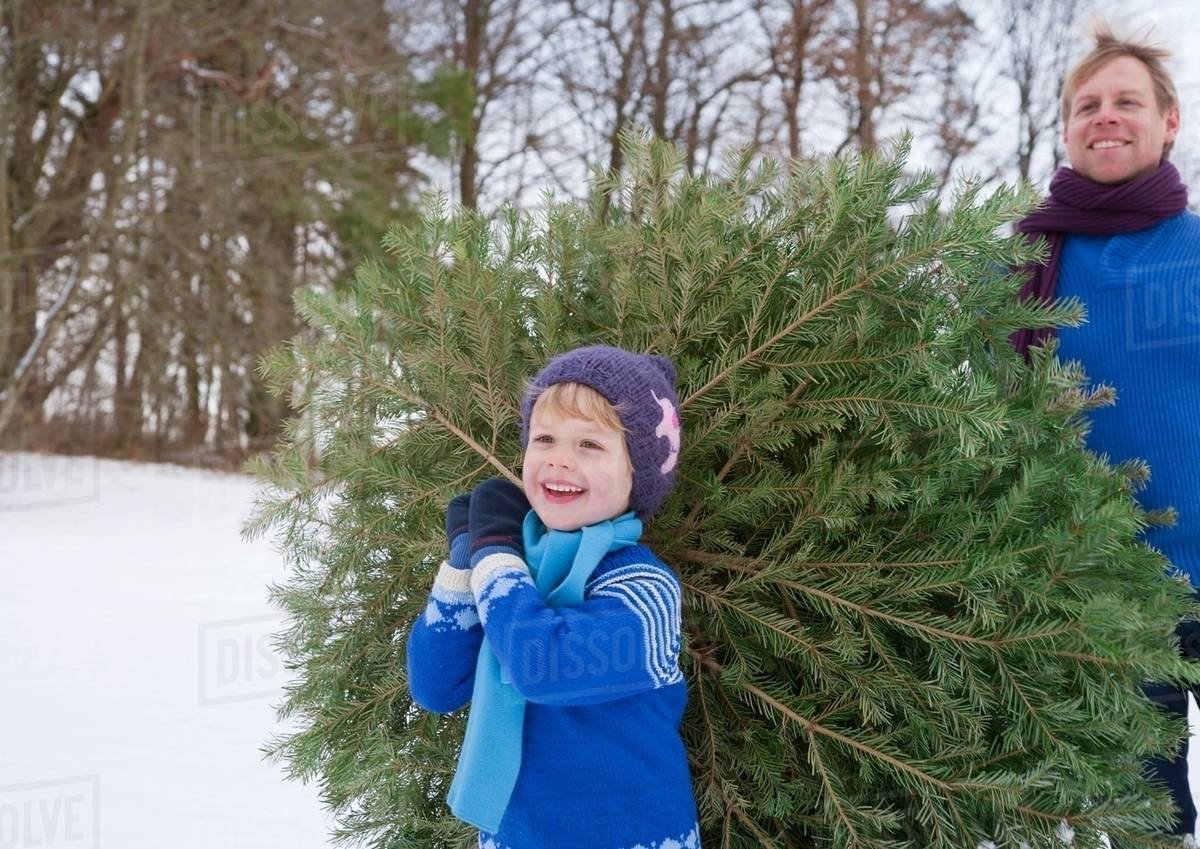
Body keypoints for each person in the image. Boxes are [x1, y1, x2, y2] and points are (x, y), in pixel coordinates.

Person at [1013, 25, 1200, 844]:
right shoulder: (1018, 269)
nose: (1106, 116)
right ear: (1067, 129)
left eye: (1127, 100)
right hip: (1107, 594)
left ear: (1170, 121)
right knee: (1144, 824)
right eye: (1087, 104)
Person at [406, 345, 698, 849]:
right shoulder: (519, 575)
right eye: (545, 438)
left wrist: (493, 552)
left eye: (590, 444)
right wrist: (463, 559)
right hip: (517, 835)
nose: (560, 458)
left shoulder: (645, 593)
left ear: (638, 475)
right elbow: (436, 686)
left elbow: (543, 665)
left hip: (631, 837)